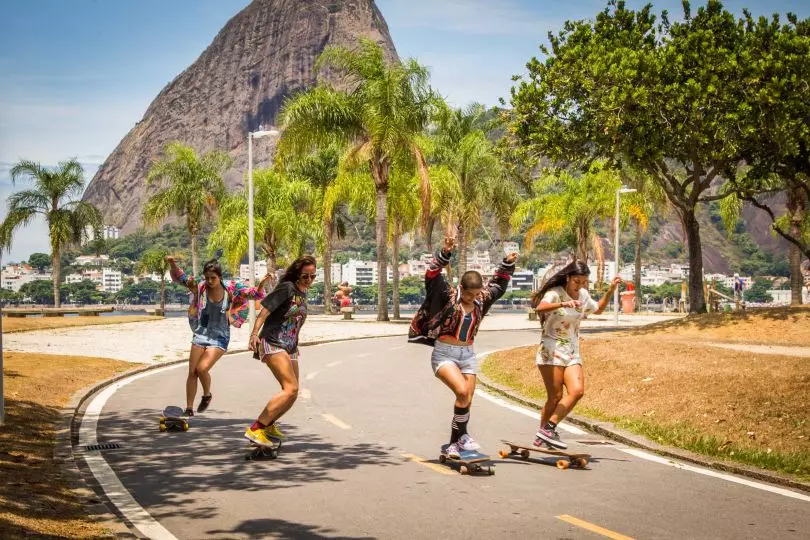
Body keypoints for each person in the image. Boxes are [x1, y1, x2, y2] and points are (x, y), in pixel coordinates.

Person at [409, 237, 517, 458]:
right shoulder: (447, 296)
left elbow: (498, 286)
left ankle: (454, 443)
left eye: (477, 294)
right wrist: (445, 253)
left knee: (466, 400)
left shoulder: (481, 299)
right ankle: (463, 437)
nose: (472, 298)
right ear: (461, 288)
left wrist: (507, 264)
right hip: (444, 353)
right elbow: (431, 275)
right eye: (469, 294)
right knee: (462, 391)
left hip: (468, 355)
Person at [531, 261, 621, 449]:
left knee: (577, 391)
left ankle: (548, 429)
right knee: (555, 397)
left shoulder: (583, 295)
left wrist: (610, 290)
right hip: (551, 348)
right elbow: (540, 308)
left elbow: (598, 309)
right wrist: (563, 303)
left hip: (572, 351)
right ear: (568, 278)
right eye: (576, 281)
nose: (580, 286)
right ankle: (542, 436)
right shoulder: (555, 292)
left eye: (584, 282)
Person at [168, 256, 271, 417]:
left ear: (220, 277)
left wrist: (262, 283)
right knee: (192, 372)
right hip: (201, 333)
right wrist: (172, 263)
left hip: (220, 337)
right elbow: (181, 278)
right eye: (207, 278)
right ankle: (189, 408)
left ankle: (207, 394)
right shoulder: (201, 287)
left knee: (202, 368)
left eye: (213, 278)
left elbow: (252, 294)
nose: (210, 281)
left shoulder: (230, 288)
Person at [244, 255, 316, 446]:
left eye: (312, 276)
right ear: (296, 274)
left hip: (290, 346)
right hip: (273, 341)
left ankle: (268, 425)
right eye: (305, 276)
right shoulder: (287, 288)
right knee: (290, 388)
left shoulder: (302, 293)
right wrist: (254, 334)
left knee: (293, 392)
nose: (308, 280)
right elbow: (265, 309)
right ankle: (256, 428)